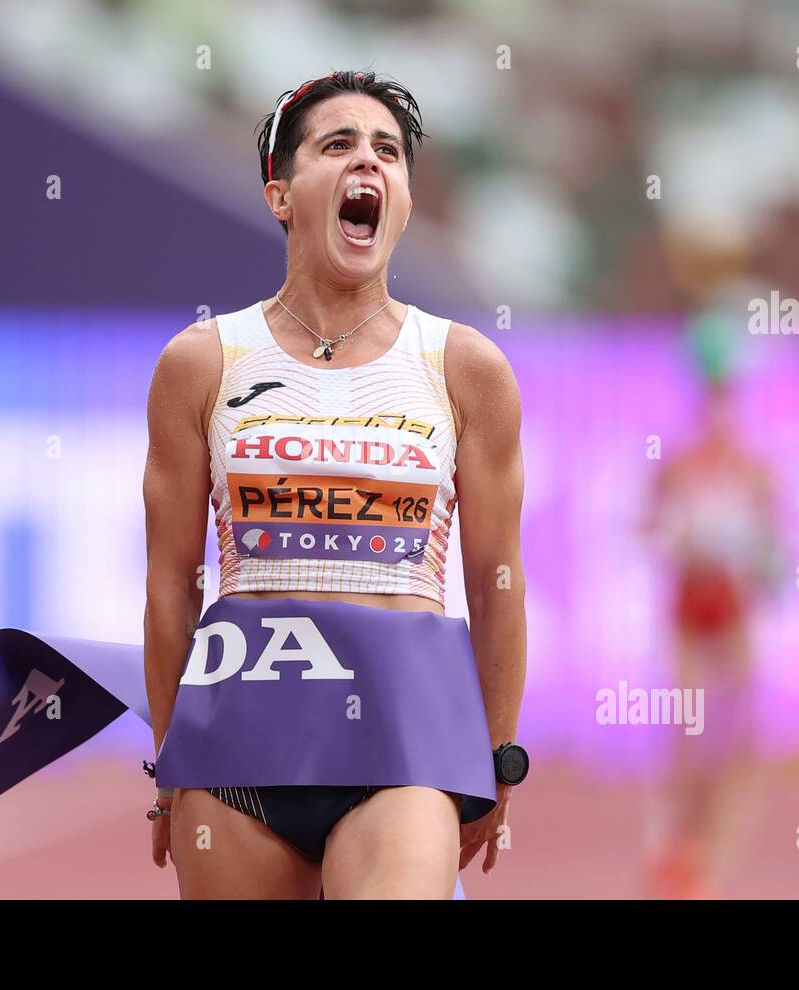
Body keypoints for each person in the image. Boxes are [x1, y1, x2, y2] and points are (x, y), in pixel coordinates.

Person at [141, 70, 528, 899]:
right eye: (338, 145)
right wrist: (171, 759)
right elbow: (172, 581)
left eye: (387, 152)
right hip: (236, 750)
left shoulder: (462, 366)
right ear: (280, 193)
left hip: (402, 748)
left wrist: (499, 757)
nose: (369, 164)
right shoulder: (203, 362)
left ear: (406, 201)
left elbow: (498, 582)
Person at [641, 377, 780, 898]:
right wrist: (682, 537)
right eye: (714, 410)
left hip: (734, 609)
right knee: (688, 734)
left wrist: (752, 555)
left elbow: (776, 551)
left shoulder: (756, 471)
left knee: (741, 740)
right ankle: (671, 846)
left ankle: (711, 863)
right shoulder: (678, 465)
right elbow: (646, 526)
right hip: (690, 607)